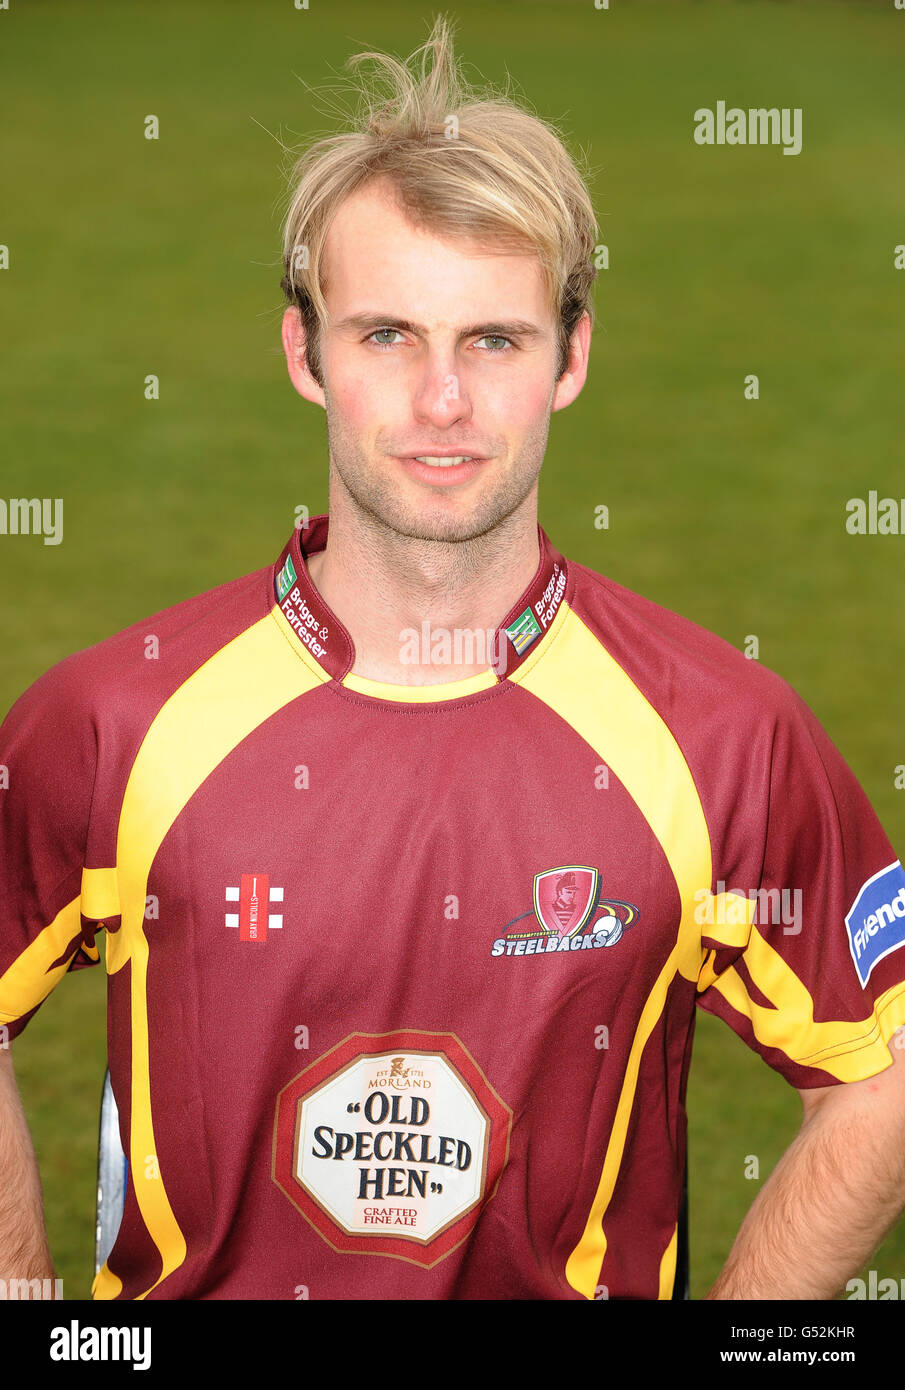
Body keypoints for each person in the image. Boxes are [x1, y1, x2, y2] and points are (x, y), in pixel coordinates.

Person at [2, 15, 905, 1303]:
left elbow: (883, 1068)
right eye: (386, 336)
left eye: (493, 340)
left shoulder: (723, 736)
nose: (442, 402)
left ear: (571, 359)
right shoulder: (116, 717)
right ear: (304, 353)